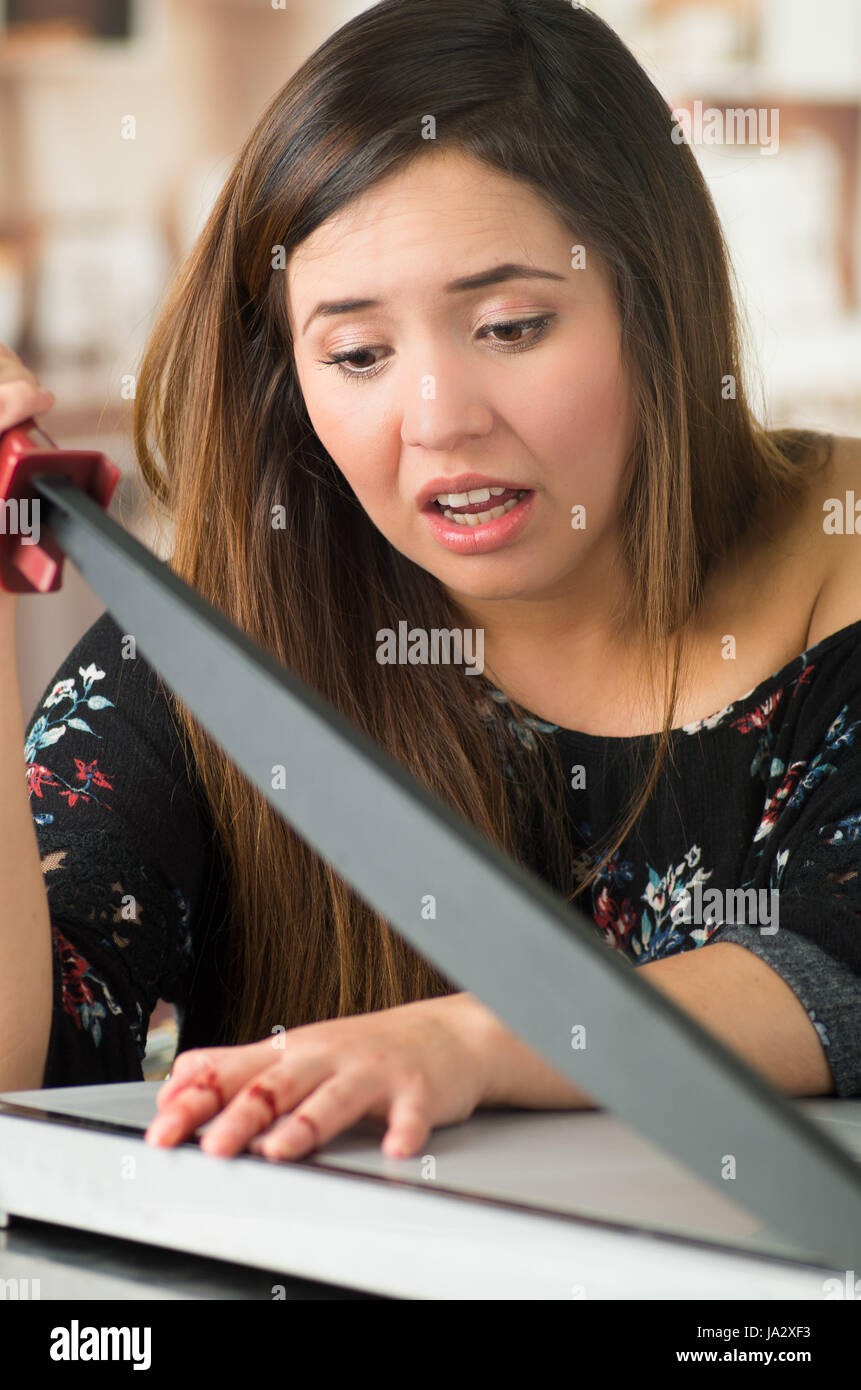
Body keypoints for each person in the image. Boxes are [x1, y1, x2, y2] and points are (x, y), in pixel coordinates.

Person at [1, 0, 859, 1169]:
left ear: (657, 307)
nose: (440, 421)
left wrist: (465, 1045)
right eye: (356, 354)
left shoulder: (838, 547)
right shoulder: (208, 654)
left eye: (510, 326)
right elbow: (28, 1070)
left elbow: (838, 957)